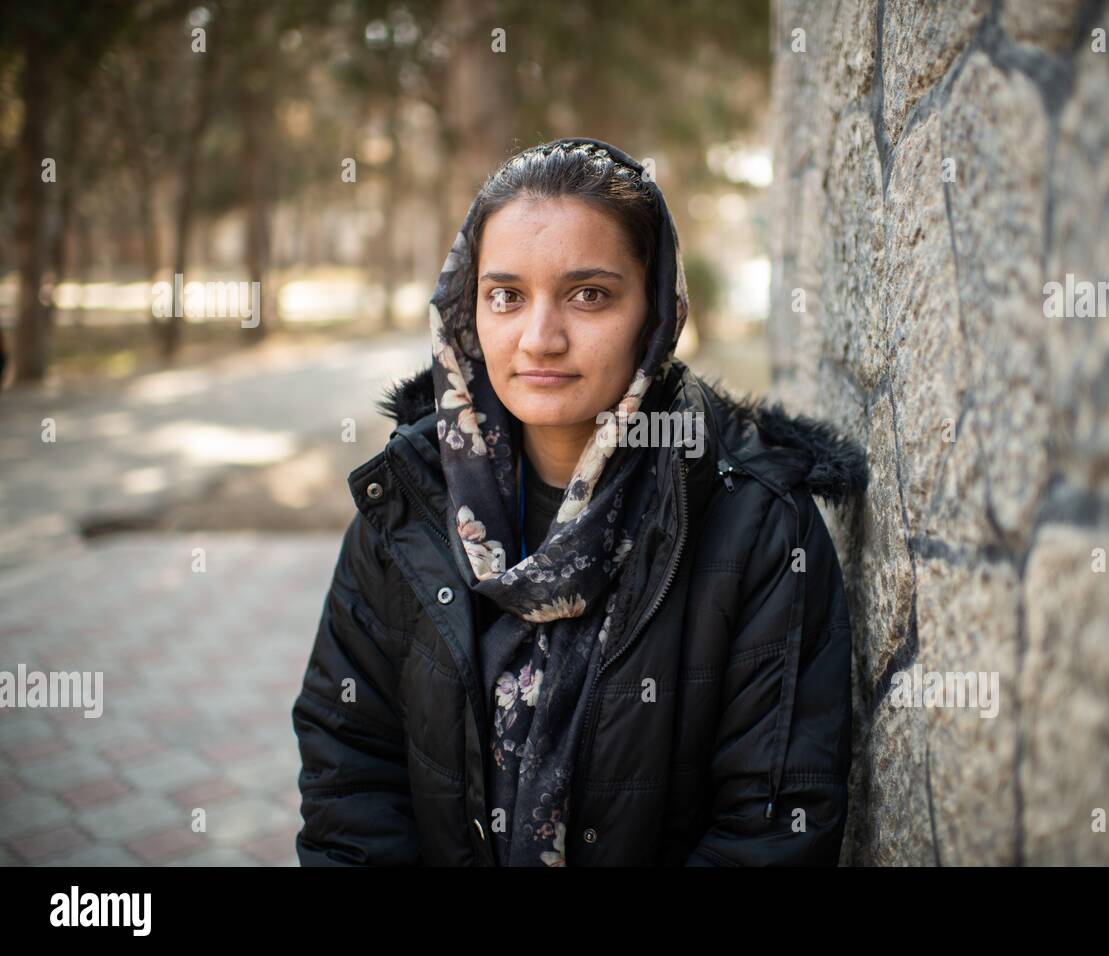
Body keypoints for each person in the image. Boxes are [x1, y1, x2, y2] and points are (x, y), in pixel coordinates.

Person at [291, 136, 867, 866]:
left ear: (657, 314)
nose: (540, 338)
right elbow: (350, 764)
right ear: (467, 313)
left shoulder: (758, 528)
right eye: (506, 296)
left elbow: (771, 823)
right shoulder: (408, 502)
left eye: (588, 294)